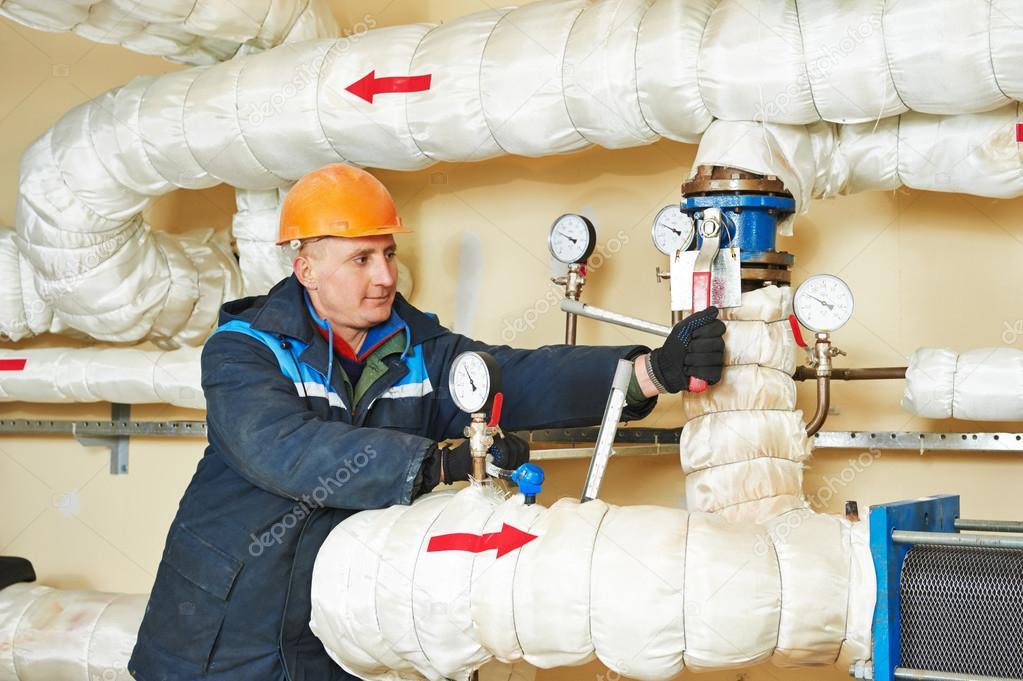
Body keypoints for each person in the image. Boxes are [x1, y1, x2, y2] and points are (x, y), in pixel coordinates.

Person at [129, 163, 725, 680]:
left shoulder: (417, 349)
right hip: (220, 631)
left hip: (335, 630)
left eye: (387, 254)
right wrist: (432, 465)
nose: (385, 276)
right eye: (360, 258)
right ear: (305, 267)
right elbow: (283, 448)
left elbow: (518, 377)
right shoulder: (244, 350)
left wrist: (648, 371)